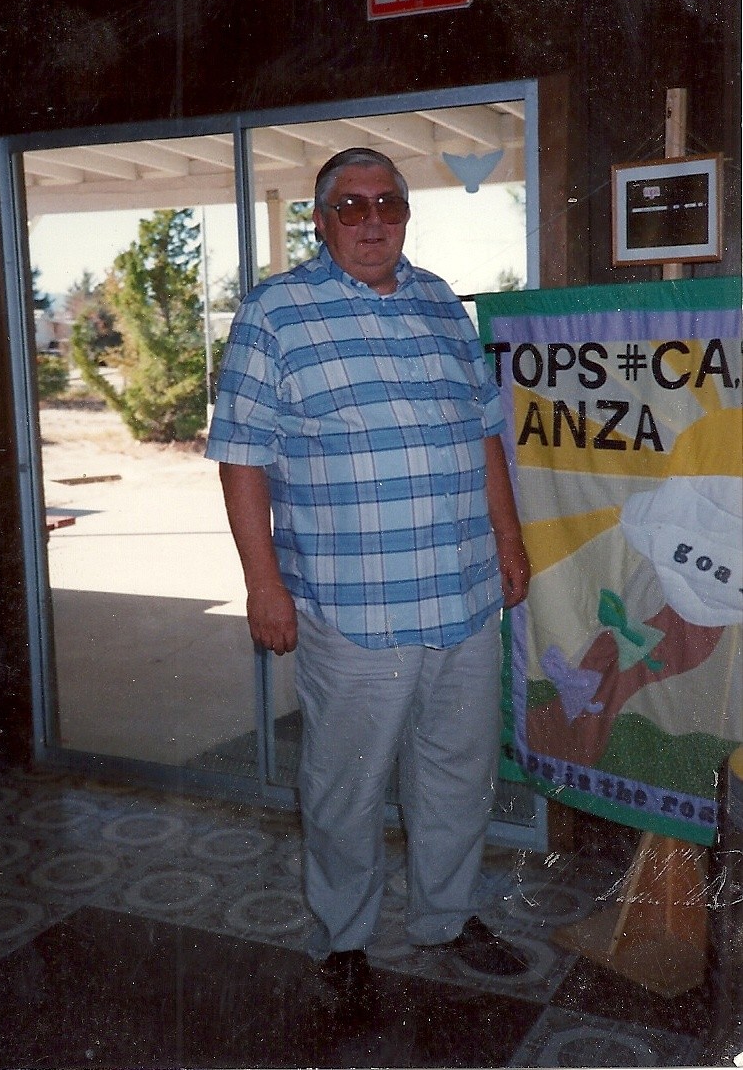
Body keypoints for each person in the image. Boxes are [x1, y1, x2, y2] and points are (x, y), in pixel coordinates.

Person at [206, 148, 531, 1005]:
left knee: (458, 773)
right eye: (350, 206)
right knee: (346, 786)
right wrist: (262, 583)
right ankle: (344, 938)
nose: (372, 219)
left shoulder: (437, 302)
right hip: (352, 609)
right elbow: (242, 457)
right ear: (321, 220)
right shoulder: (276, 312)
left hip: (462, 597)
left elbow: (483, 434)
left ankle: (446, 916)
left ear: (405, 213)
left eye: (387, 201)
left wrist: (508, 538)